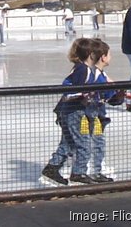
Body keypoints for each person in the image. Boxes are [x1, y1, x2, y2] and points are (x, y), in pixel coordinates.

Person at [41, 38, 97, 186]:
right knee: (83, 143)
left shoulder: (83, 68)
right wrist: (84, 95)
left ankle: (52, 168)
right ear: (90, 54)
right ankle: (78, 173)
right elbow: (72, 91)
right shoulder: (82, 69)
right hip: (73, 111)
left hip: (71, 110)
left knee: (68, 142)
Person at [86, 38, 127, 183]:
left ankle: (89, 169)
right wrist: (118, 94)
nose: (111, 57)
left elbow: (108, 95)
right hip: (92, 117)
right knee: (97, 143)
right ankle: (94, 172)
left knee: (92, 142)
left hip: (95, 116)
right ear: (103, 57)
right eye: (109, 54)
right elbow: (107, 96)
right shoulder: (96, 75)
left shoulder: (98, 73)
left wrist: (120, 94)